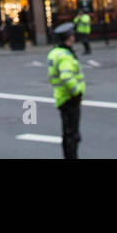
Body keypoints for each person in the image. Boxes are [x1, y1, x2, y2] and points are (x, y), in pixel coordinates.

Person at [47, 23, 85, 159]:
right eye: (72, 35)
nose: (74, 37)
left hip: (61, 97)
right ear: (68, 38)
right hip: (69, 99)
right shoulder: (64, 56)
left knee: (68, 133)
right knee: (72, 135)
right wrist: (76, 92)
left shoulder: (55, 53)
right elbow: (66, 77)